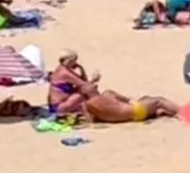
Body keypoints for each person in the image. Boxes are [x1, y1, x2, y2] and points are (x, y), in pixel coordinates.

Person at [49, 52, 179, 123]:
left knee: (147, 100)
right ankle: (184, 113)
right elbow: (85, 84)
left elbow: (90, 120)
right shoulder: (106, 96)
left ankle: (163, 112)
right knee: (159, 100)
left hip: (125, 116)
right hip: (135, 112)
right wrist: (93, 79)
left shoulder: (88, 105)